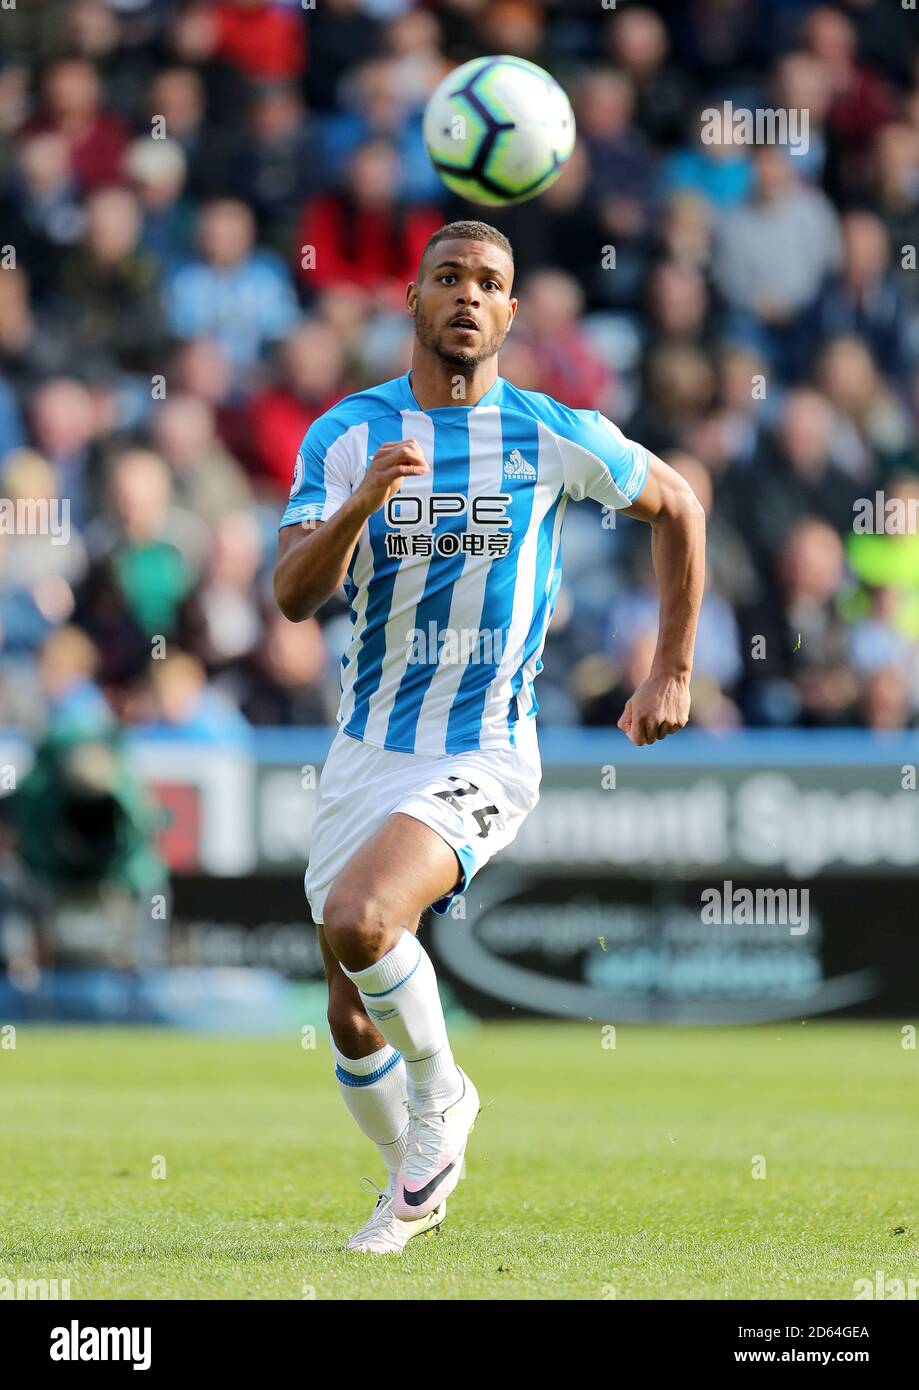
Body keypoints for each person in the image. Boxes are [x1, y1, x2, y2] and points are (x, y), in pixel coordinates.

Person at [273, 220, 705, 1254]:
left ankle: (445, 1094)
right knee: (348, 1012)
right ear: (414, 302)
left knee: (365, 916)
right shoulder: (344, 435)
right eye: (449, 279)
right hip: (366, 748)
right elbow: (291, 596)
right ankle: (406, 1181)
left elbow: (678, 503)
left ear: (511, 315)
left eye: (491, 284)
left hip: (484, 750)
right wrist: (362, 503)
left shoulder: (550, 431)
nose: (469, 296)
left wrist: (672, 668)